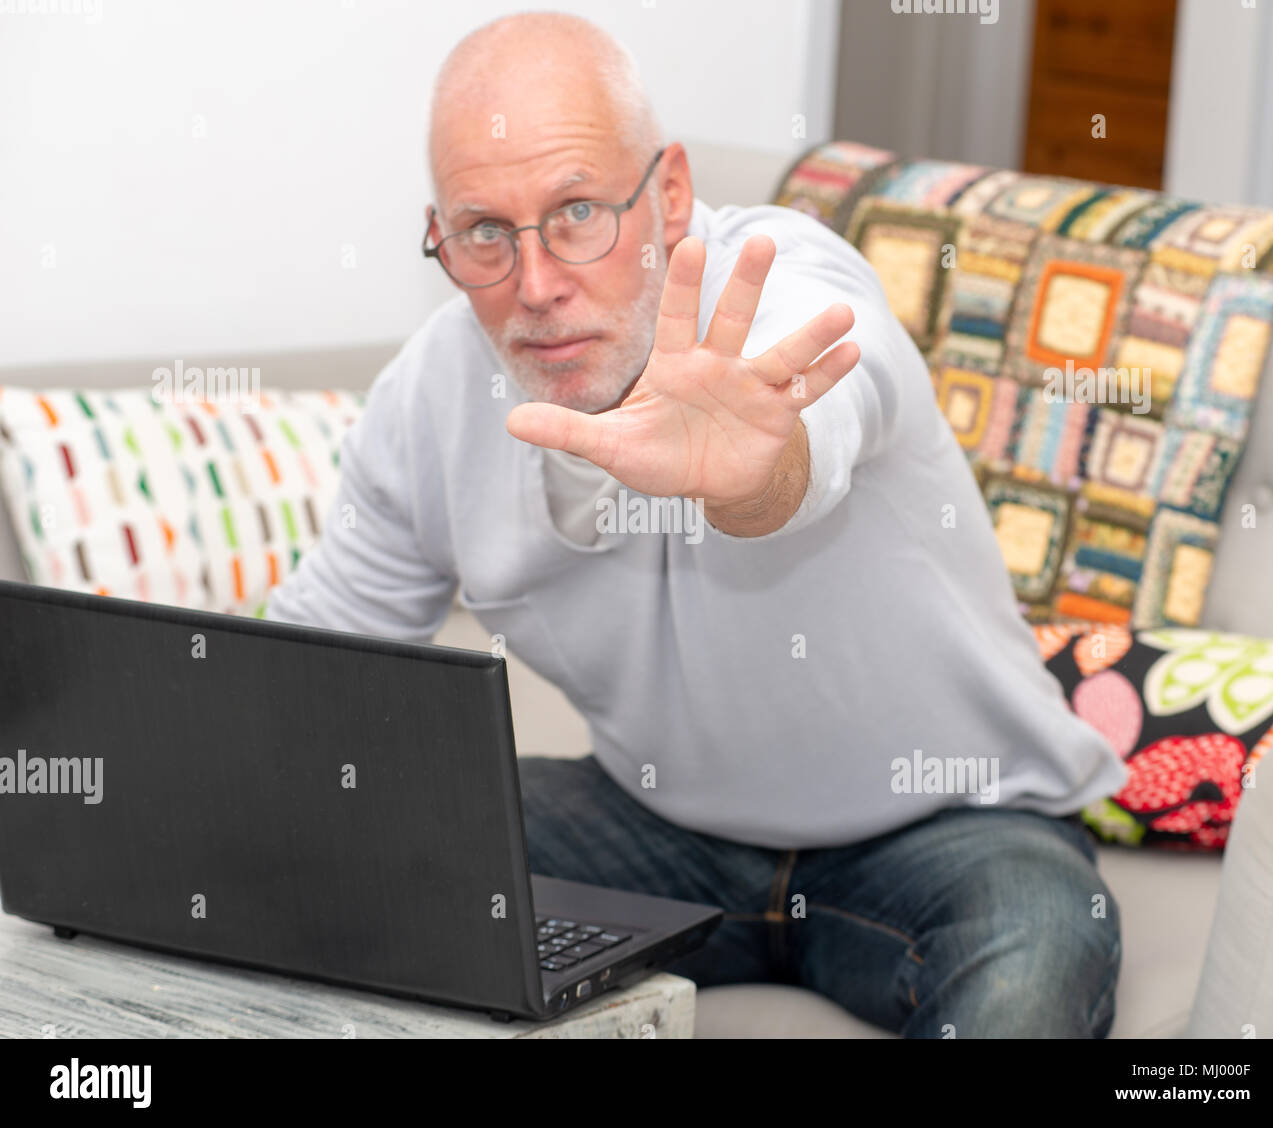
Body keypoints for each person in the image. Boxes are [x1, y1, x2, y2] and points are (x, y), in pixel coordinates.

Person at [266, 10, 1127, 1037]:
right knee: (349, 848)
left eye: (578, 212)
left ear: (669, 192)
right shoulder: (429, 397)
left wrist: (751, 477)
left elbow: (817, 425)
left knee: (1037, 956)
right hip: (657, 829)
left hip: (951, 829)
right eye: (485, 231)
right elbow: (313, 676)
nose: (535, 286)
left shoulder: (785, 284)